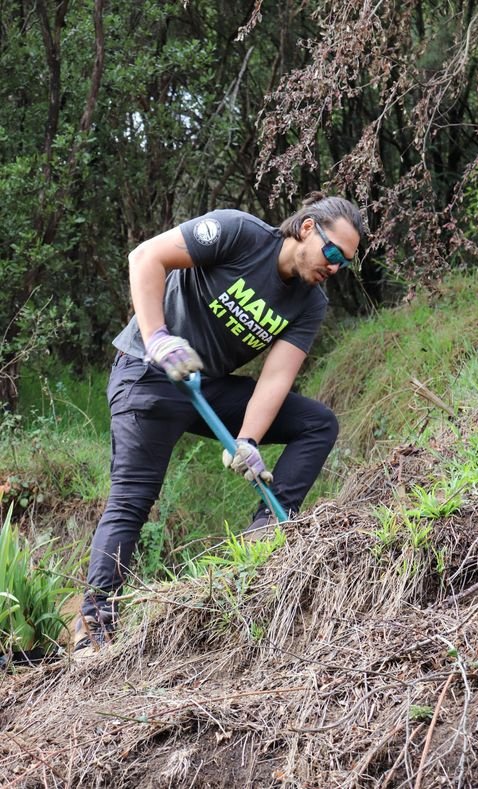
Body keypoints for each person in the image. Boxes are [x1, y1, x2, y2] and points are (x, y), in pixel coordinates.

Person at [73, 192, 363, 656]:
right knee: (133, 497)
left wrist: (247, 439)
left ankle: (261, 540)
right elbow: (145, 257)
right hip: (147, 372)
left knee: (317, 424)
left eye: (344, 264)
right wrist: (158, 338)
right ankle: (94, 623)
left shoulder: (310, 304)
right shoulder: (239, 233)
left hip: (204, 384)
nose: (334, 267)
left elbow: (276, 378)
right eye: (333, 254)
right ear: (308, 228)